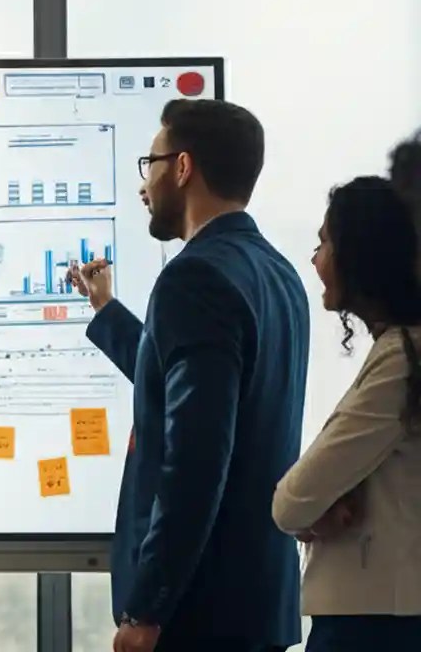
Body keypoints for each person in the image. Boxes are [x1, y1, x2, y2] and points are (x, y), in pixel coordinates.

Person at [70, 100, 308, 652]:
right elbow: (195, 394)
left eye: (148, 164)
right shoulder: (279, 275)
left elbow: (195, 459)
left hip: (196, 612)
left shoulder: (193, 278)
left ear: (182, 167)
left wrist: (147, 608)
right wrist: (106, 309)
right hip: (253, 607)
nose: (143, 186)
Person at [271, 174, 421, 650]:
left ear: (357, 256)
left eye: (323, 243)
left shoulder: (402, 359)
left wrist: (311, 512)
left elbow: (291, 501)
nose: (316, 259)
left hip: (375, 623)